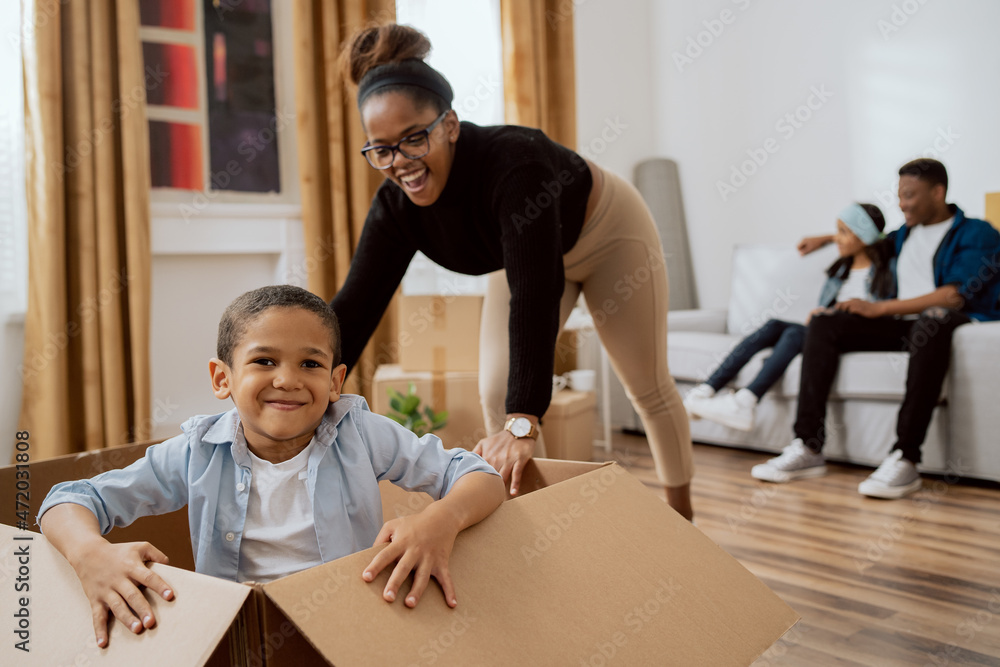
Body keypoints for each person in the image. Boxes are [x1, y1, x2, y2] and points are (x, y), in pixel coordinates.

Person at [329, 24, 695, 519]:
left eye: (414, 139)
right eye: (382, 149)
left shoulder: (513, 162)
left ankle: (684, 516)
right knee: (496, 389)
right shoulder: (395, 207)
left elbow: (535, 293)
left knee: (645, 385)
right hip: (525, 254)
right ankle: (530, 523)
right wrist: (310, 377)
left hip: (606, 232)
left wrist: (524, 422)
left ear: (450, 124)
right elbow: (355, 307)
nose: (401, 163)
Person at [37, 285, 505, 648]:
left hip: (351, 629)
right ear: (223, 378)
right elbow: (68, 500)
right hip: (237, 635)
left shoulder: (361, 433)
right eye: (264, 360)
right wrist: (90, 555)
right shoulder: (197, 451)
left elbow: (481, 477)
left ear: (335, 380)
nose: (287, 380)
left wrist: (437, 521)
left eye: (310, 363)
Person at [752, 159, 1000, 497]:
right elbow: (868, 238)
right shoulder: (903, 235)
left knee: (934, 316)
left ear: (938, 192)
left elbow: (954, 295)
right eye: (899, 196)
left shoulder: (977, 232)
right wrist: (826, 238)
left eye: (910, 195)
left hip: (944, 326)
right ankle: (808, 447)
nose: (902, 204)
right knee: (825, 321)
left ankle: (906, 457)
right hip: (899, 328)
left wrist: (879, 307)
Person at [685, 203, 893, 431]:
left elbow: (877, 314)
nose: (837, 238)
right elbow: (854, 240)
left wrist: (833, 315)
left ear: (863, 235)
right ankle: (704, 392)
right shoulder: (840, 269)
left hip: (854, 334)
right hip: (826, 328)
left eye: (843, 232)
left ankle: (746, 400)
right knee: (774, 325)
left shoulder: (886, 269)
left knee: (794, 333)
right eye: (837, 231)